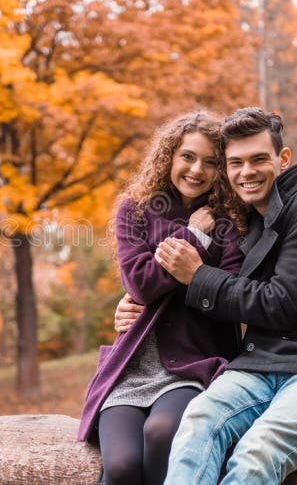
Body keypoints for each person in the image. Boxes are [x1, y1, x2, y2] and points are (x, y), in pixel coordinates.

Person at [116, 107, 297, 484]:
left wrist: (198, 276)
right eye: (235, 163)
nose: (246, 172)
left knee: (254, 455)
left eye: (258, 160)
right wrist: (132, 304)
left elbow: (281, 304)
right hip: (259, 367)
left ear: (283, 159)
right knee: (197, 424)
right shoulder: (245, 217)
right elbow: (168, 281)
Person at [77, 110, 247, 485]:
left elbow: (228, 292)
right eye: (187, 156)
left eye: (211, 162)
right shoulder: (133, 211)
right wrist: (192, 237)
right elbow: (140, 284)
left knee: (161, 432)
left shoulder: (229, 223)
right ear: (169, 155)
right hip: (131, 369)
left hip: (191, 366)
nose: (196, 169)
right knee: (120, 466)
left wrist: (188, 274)